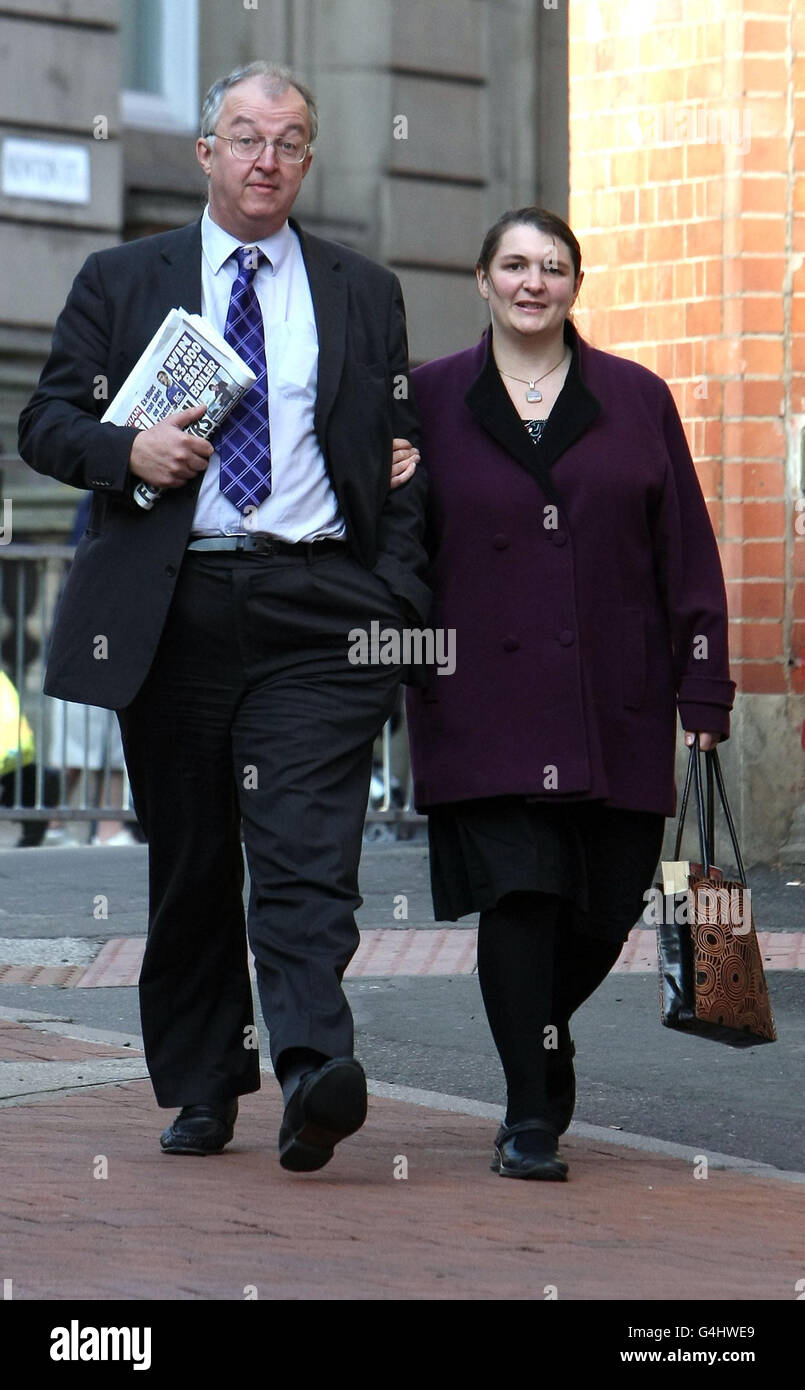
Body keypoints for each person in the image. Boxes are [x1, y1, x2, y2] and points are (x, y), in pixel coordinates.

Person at [18, 61, 427, 1171]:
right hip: (175, 601)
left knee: (306, 852)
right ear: (205, 154)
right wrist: (128, 450)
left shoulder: (360, 288)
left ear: (306, 160)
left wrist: (393, 588)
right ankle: (204, 1087)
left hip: (317, 607)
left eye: (289, 141)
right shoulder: (122, 278)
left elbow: (400, 449)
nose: (266, 159)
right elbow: (45, 422)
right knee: (195, 860)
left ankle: (310, 1068)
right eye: (245, 138)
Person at [404, 207, 734, 1181]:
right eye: (513, 263)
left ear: (573, 284)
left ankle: (542, 1034)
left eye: (551, 265)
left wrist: (703, 689)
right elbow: (390, 547)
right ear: (482, 280)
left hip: (615, 699)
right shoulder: (425, 399)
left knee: (603, 906)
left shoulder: (635, 397)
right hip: (481, 702)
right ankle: (528, 1116)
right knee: (521, 894)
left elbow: (688, 550)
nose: (532, 281)